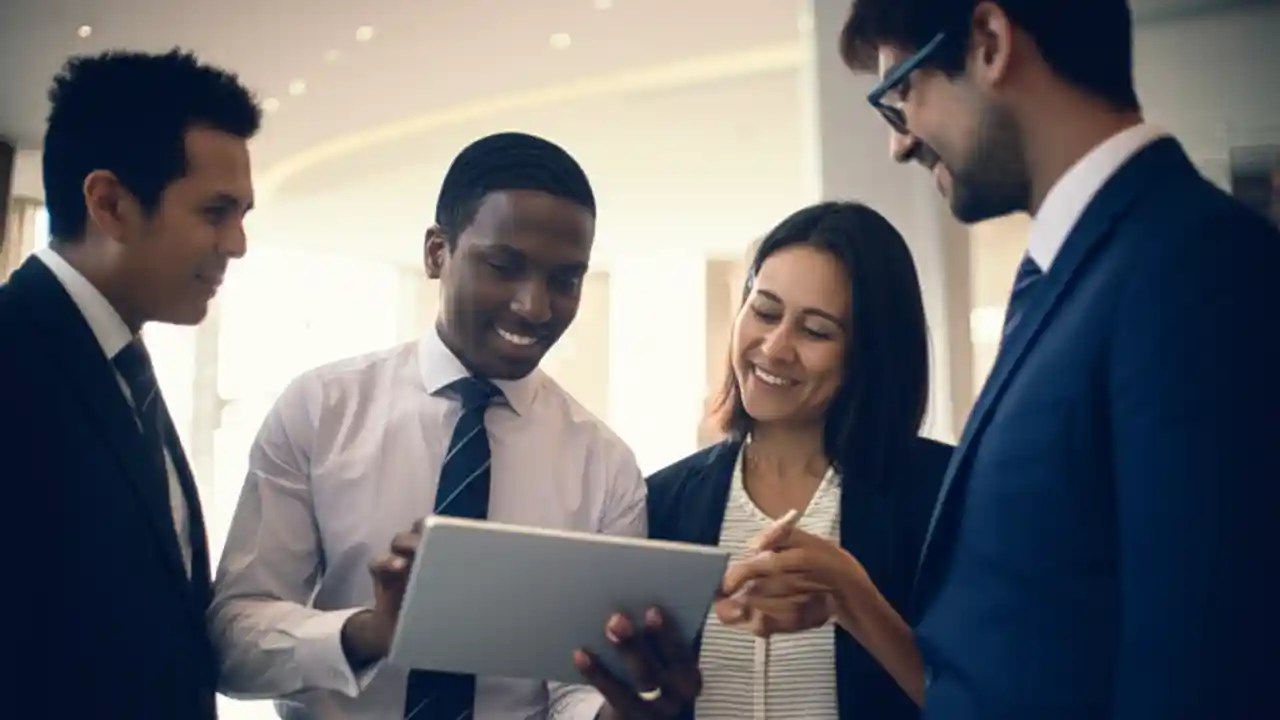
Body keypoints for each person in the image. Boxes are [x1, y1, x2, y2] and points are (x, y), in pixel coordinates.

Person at [724, 1, 1280, 718]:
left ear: (988, 43)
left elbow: (1203, 661)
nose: (900, 143)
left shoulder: (1197, 266)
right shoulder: (1064, 276)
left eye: (903, 92)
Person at [209, 131, 647, 720]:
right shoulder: (320, 410)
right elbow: (232, 642)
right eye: (504, 266)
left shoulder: (607, 467)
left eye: (565, 280)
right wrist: (369, 632)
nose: (534, 307)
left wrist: (617, 712)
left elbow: (579, 687)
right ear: (438, 253)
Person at [587, 201, 951, 720]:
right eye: (765, 311)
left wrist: (853, 597)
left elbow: (993, 702)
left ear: (871, 353)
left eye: (816, 330)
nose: (776, 348)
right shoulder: (661, 502)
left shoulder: (944, 497)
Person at [0, 50, 259, 717]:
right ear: (110, 204)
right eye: (216, 211)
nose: (237, 243)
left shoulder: (119, 362)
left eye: (242, 214)